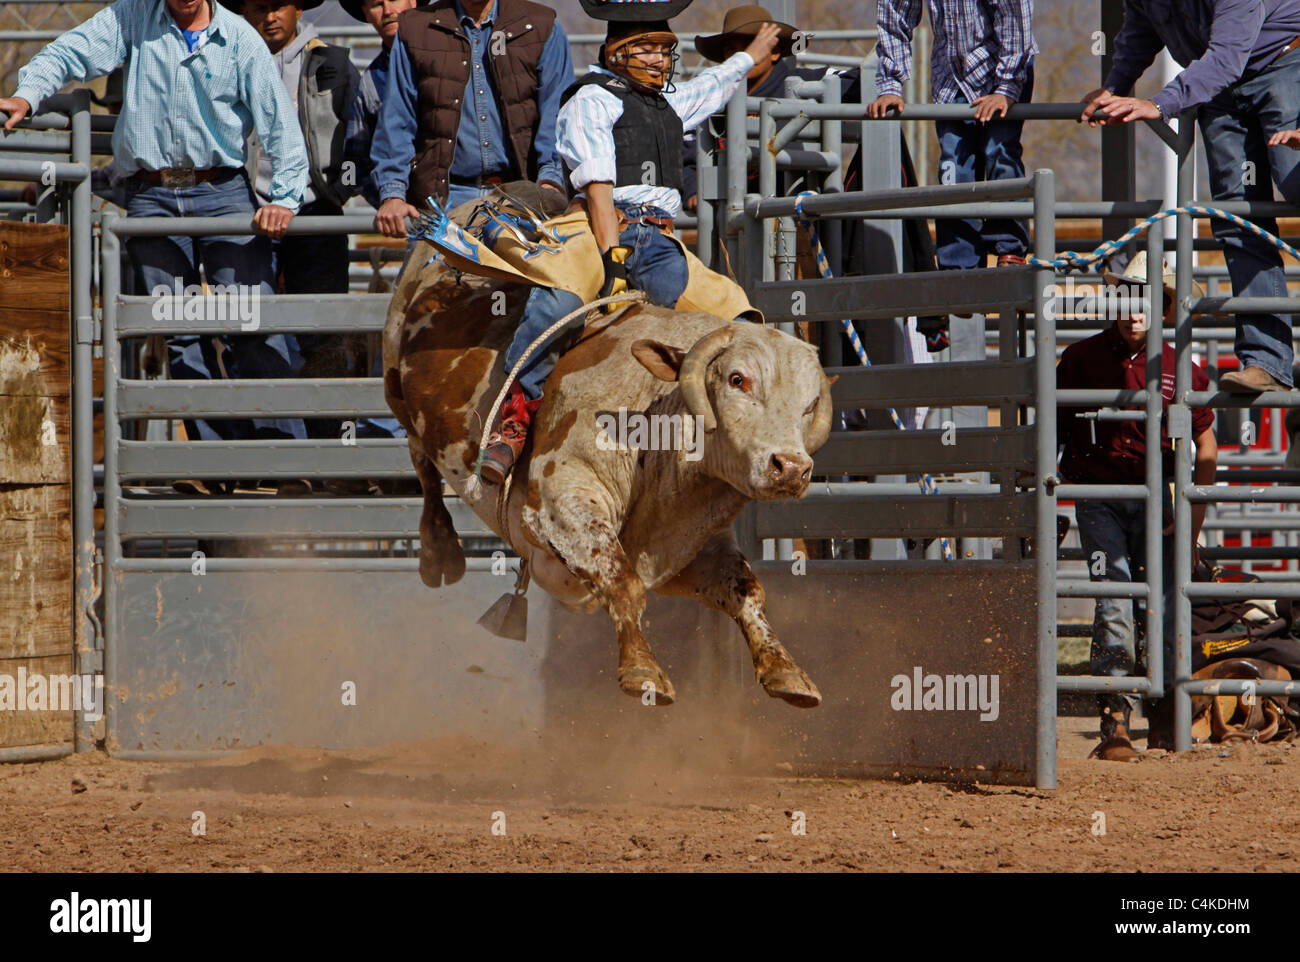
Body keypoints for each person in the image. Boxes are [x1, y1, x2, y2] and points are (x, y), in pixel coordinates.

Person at [474, 0, 781, 485]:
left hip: (656, 236)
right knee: (556, 306)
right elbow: (597, 186)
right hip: (597, 225)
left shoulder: (666, 102)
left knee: (734, 311)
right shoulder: (592, 98)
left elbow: (712, 86)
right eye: (648, 49)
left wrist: (753, 53)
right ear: (618, 51)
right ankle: (513, 419)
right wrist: (612, 257)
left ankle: (754, 431)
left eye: (665, 50)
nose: (660, 60)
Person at [0, 0, 309, 463]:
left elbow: (279, 123)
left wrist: (285, 198)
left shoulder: (240, 38)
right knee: (180, 330)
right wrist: (29, 93)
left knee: (251, 321)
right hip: (153, 193)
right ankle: (212, 462)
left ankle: (283, 458)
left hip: (220, 188)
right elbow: (68, 51)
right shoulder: (132, 18)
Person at [1080, 0, 1300, 395]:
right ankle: (1266, 361)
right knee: (1237, 218)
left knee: (1294, 177)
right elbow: (1139, 35)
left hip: (1285, 62)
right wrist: (1115, 87)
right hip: (1220, 87)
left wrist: (1159, 103)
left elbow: (1227, 56)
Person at [1056, 253, 1219, 761]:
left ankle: (1166, 714)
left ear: (1162, 306)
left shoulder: (1178, 368)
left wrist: (1191, 522)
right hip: (1102, 497)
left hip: (1159, 504)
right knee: (1115, 604)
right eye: (1125, 300)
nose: (1133, 312)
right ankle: (1117, 721)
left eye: (1146, 302)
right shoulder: (1080, 361)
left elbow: (1206, 447)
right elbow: (1052, 434)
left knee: (1164, 606)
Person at [232, 0, 360, 460]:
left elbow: (357, 132)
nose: (268, 17)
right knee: (251, 330)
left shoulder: (332, 63)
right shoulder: (229, 56)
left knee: (322, 335)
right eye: (257, 7)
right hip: (245, 215)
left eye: (277, 5)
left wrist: (338, 188)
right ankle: (277, 454)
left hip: (314, 213)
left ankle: (333, 453)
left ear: (297, 8)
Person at [369, 0, 575, 238]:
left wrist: (550, 182)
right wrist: (393, 194)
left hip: (523, 198)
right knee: (430, 275)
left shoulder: (540, 25)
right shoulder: (415, 29)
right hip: (442, 203)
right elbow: (397, 119)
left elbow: (557, 116)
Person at [870, 0, 1036, 272]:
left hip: (1004, 67)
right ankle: (959, 263)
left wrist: (1007, 87)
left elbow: (1014, 16)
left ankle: (1009, 251)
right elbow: (894, 14)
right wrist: (891, 84)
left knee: (1000, 151)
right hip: (951, 75)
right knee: (953, 164)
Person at [341, 0, 417, 449]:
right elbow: (356, 158)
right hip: (423, 226)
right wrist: (394, 199)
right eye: (374, 1)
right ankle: (382, 446)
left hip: (475, 213)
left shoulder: (462, 57)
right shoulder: (373, 80)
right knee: (407, 328)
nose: (388, 8)